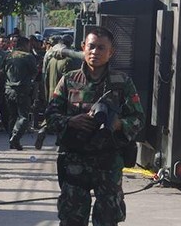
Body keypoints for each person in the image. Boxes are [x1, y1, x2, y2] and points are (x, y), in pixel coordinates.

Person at [43, 26, 145, 225]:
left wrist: (119, 124)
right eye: (91, 46)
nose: (95, 52)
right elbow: (51, 116)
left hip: (108, 161)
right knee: (71, 218)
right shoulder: (69, 80)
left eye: (101, 48)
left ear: (111, 52)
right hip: (75, 160)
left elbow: (138, 118)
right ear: (83, 47)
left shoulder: (122, 82)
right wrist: (70, 121)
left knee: (108, 218)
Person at [34, 35, 83, 150]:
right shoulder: (69, 61)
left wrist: (45, 91)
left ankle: (43, 129)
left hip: (52, 91)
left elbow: (45, 76)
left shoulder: (51, 59)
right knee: (65, 117)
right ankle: (59, 141)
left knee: (53, 114)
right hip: (64, 93)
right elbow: (73, 80)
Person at [3, 36, 38, 150]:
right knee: (23, 116)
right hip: (22, 89)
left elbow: (2, 71)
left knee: (12, 116)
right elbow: (34, 71)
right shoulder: (28, 56)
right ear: (25, 45)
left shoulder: (8, 55)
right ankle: (15, 137)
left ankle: (11, 140)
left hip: (8, 89)